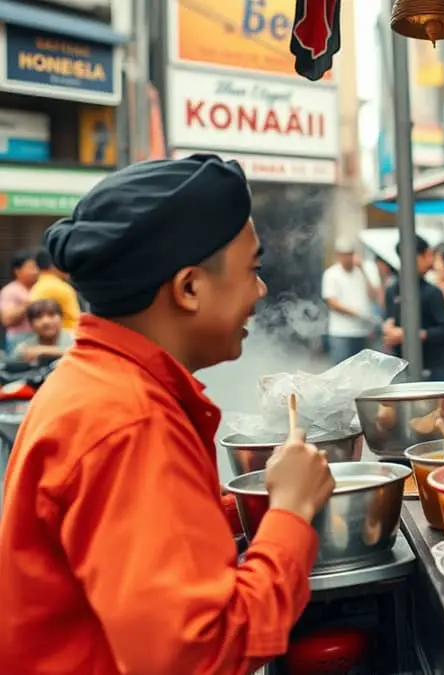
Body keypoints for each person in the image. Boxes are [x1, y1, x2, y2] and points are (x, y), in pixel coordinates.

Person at [0, 154, 336, 674]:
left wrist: (245, 506)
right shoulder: (129, 423)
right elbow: (202, 654)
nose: (262, 291)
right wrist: (290, 512)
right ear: (189, 288)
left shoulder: (98, 383)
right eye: (253, 271)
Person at [384, 235, 444, 382]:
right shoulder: (393, 290)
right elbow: (390, 323)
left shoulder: (432, 292)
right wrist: (388, 332)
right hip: (406, 369)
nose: (431, 260)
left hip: (439, 370)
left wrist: (410, 334)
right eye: (428, 255)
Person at [322, 237, 377, 365]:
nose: (347, 258)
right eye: (344, 255)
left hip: (362, 331)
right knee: (341, 369)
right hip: (341, 332)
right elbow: (332, 302)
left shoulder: (363, 271)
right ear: (339, 256)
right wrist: (356, 313)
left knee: (362, 370)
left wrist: (363, 269)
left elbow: (374, 294)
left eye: (350, 254)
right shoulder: (331, 274)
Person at [29, 248, 82, 332]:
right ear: (54, 265)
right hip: (67, 338)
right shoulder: (57, 287)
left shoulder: (40, 285)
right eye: (64, 263)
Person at [9, 299, 73, 364]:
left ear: (61, 318)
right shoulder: (24, 348)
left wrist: (43, 351)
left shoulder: (76, 339)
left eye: (51, 315)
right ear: (31, 324)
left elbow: (79, 353)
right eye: (39, 317)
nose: (46, 321)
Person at [0, 250, 40, 350]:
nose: (35, 271)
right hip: (19, 338)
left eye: (36, 267)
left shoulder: (39, 287)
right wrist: (28, 305)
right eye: (31, 268)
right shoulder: (10, 290)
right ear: (17, 271)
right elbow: (7, 319)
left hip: (39, 338)